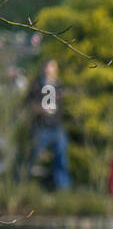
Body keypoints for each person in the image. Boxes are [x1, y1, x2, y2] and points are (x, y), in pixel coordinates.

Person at [26, 59, 70, 190]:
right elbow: (29, 103)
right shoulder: (37, 84)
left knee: (61, 158)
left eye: (52, 67)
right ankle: (21, 183)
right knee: (32, 156)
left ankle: (63, 189)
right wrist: (39, 109)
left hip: (57, 127)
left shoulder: (59, 85)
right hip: (41, 127)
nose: (50, 69)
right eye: (48, 66)